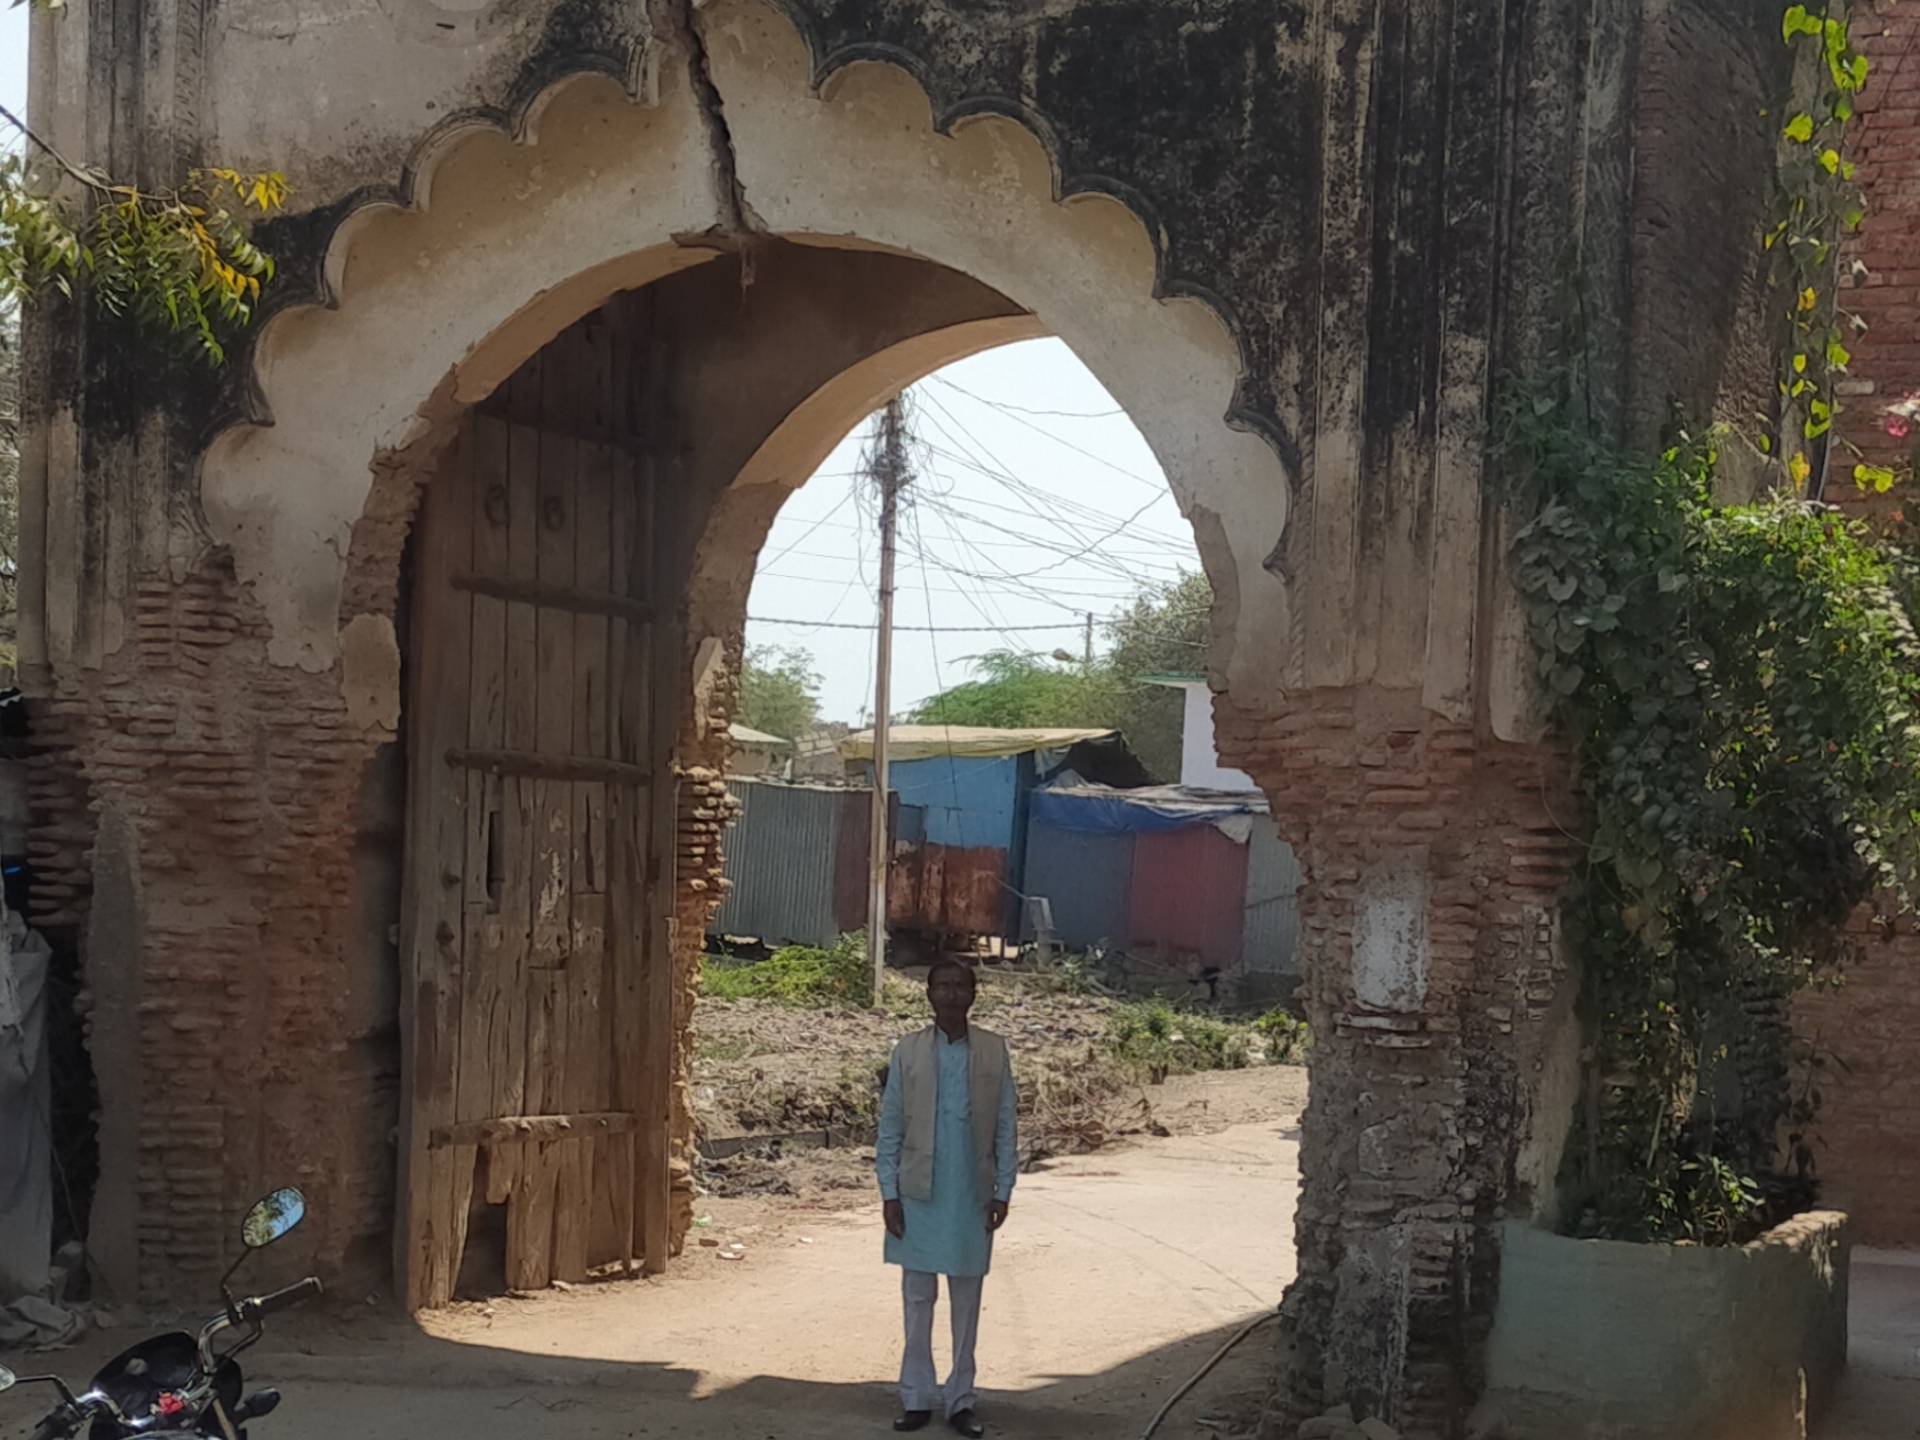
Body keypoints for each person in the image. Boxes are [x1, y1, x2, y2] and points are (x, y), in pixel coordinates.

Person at [873, 959, 1018, 1437]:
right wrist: (889, 1193)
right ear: (929, 994)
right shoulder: (908, 1051)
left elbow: (1005, 1125)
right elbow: (891, 1125)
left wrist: (1003, 1188)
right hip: (918, 1190)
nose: (952, 994)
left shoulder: (994, 1052)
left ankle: (960, 1399)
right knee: (917, 1298)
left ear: (973, 994)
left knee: (966, 1299)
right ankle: (916, 1396)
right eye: (943, 986)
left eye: (960, 986)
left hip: (971, 1193)